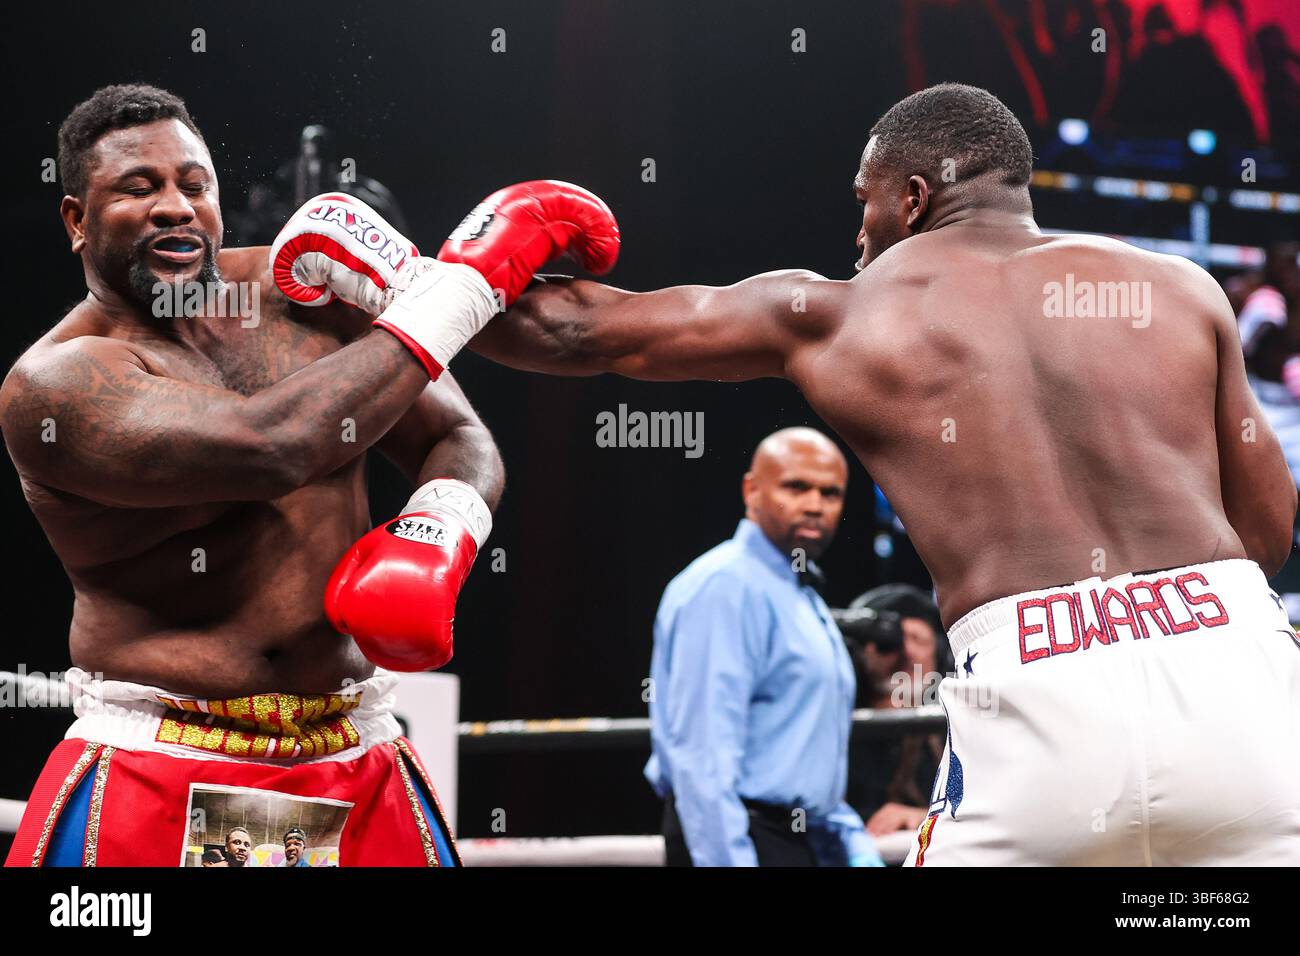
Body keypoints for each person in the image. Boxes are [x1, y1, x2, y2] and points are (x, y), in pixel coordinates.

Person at [472, 82, 1300, 865]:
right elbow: (1265, 533)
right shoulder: (1182, 289)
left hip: (1037, 690)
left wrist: (428, 272)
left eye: (861, 203)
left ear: (911, 197)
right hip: (1238, 676)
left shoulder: (837, 314)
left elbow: (578, 333)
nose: (856, 237)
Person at [2, 84, 618, 867]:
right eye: (138, 187)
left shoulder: (299, 292)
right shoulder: (55, 387)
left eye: (195, 185)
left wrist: (438, 530)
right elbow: (273, 446)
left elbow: (462, 435)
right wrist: (461, 288)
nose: (175, 208)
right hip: (165, 760)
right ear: (76, 220)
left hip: (354, 749)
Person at [645, 428, 881, 866]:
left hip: (794, 841)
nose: (815, 505)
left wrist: (852, 849)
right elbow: (703, 762)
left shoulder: (800, 594)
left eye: (830, 493)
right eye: (797, 486)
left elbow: (807, 765)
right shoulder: (725, 586)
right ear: (752, 490)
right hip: (741, 839)